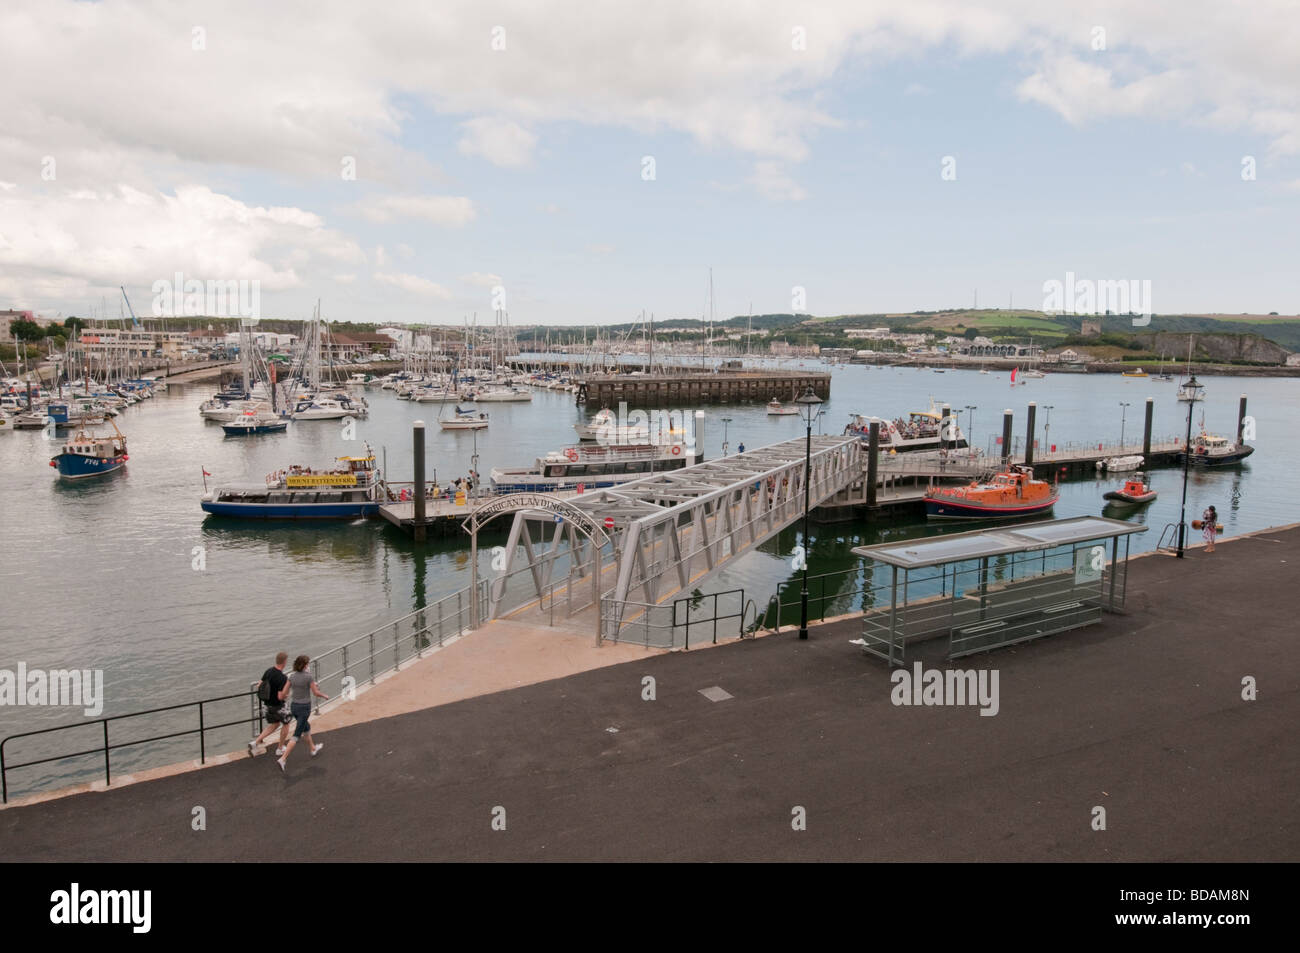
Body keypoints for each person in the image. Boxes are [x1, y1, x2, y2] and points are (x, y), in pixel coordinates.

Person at [276, 655, 330, 771]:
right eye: (308, 663)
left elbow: (284, 693)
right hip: (304, 708)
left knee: (306, 726)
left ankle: (313, 748)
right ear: (305, 665)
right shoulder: (308, 677)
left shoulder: (291, 676)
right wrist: (324, 695)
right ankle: (283, 759)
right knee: (296, 734)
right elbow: (315, 692)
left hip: (294, 706)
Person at [248, 652, 292, 757]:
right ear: (285, 662)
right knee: (286, 724)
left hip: (267, 705)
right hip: (278, 705)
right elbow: (280, 696)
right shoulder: (282, 677)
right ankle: (280, 748)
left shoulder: (268, 671)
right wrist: (286, 694)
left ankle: (256, 742)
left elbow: (259, 685)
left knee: (274, 724)